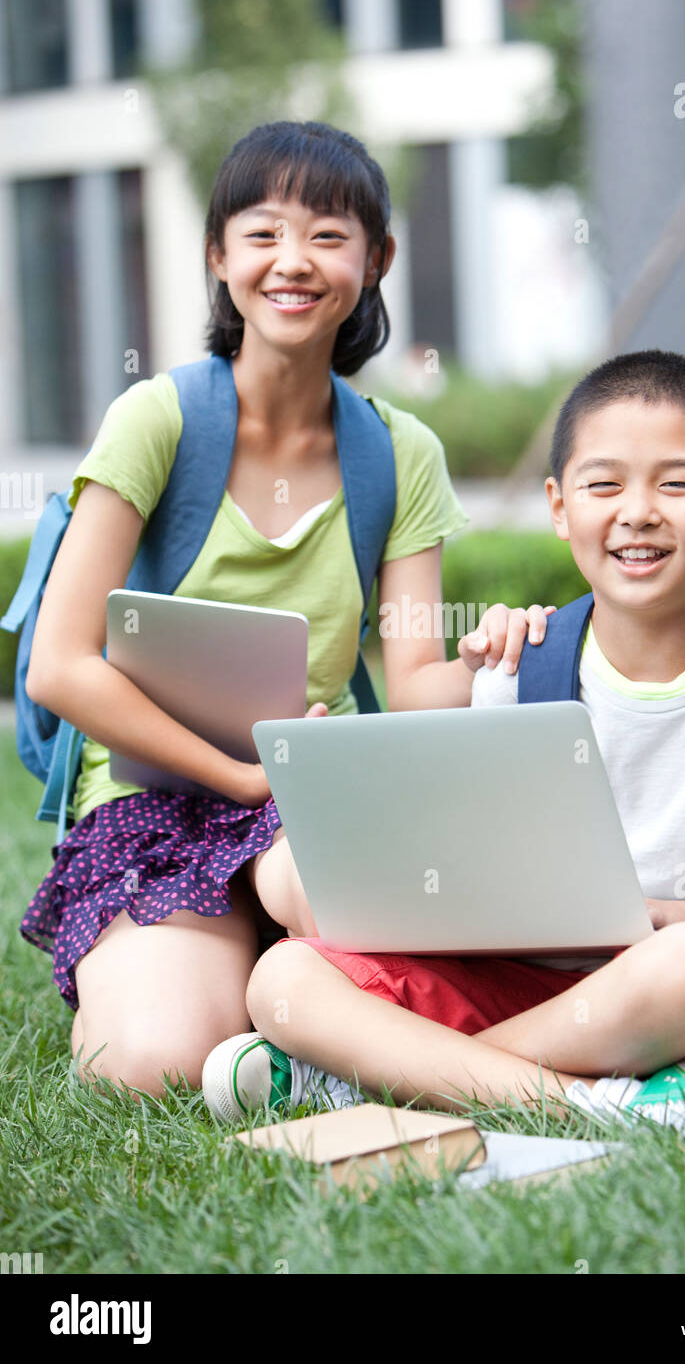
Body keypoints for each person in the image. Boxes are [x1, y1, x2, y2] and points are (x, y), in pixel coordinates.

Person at [20, 120, 551, 1099]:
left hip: (314, 791)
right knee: (156, 1064)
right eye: (262, 233)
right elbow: (60, 663)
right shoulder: (159, 420)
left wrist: (496, 655)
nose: (292, 262)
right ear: (219, 257)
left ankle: (301, 987)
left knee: (336, 889)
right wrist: (231, 769)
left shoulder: (398, 454)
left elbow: (411, 687)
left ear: (376, 258)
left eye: (327, 233)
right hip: (154, 798)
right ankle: (250, 991)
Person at [208, 349, 685, 1134]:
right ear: (559, 507)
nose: (639, 510)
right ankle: (605, 1104)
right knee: (284, 976)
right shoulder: (520, 672)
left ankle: (383, 1076)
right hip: (531, 981)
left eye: (679, 483)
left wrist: (675, 916)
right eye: (604, 484)